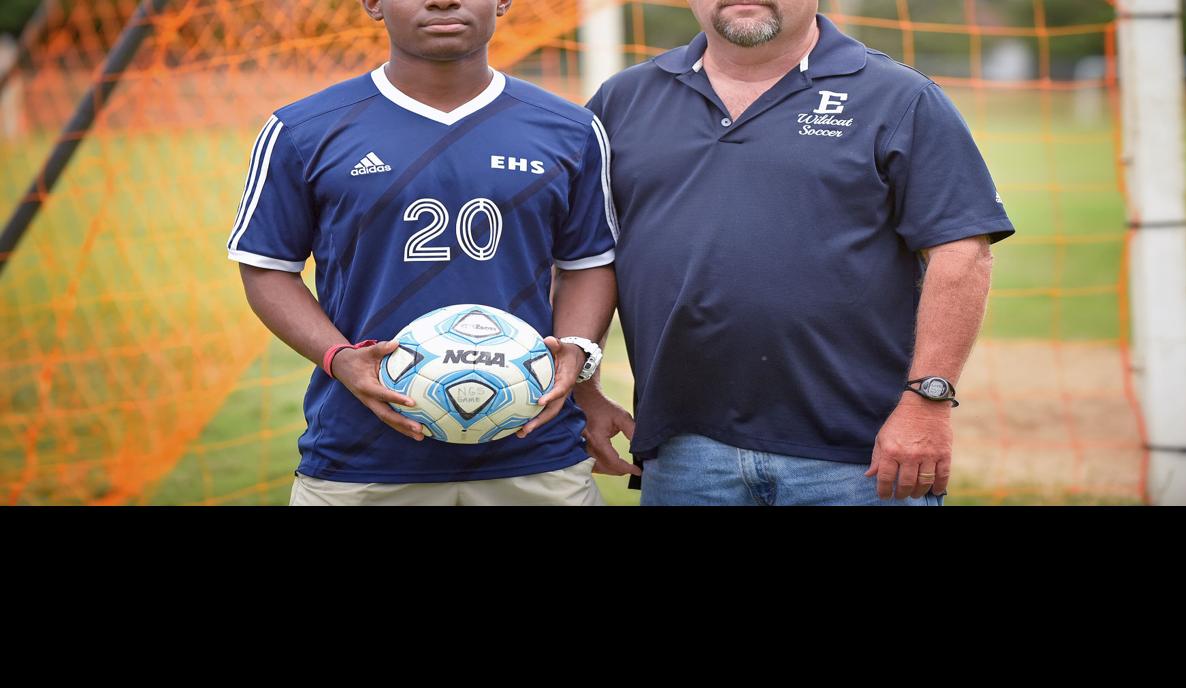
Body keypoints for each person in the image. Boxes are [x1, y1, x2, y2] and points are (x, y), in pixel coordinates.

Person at [583, 0, 1013, 506]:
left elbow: (961, 253)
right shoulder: (624, 99)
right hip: (683, 452)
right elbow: (585, 256)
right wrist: (584, 391)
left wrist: (928, 403)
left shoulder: (899, 97)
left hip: (860, 456)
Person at [229, 0, 626, 505]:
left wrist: (577, 350)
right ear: (372, 4)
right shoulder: (303, 130)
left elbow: (587, 264)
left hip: (535, 450)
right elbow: (268, 270)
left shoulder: (569, 129)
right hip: (362, 456)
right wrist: (339, 358)